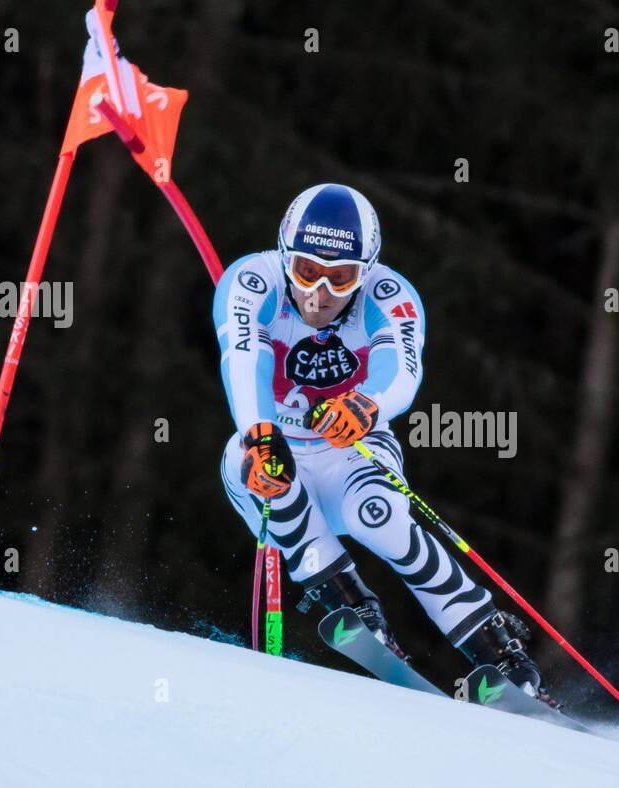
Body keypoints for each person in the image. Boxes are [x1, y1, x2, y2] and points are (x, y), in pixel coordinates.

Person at [212, 183, 551, 701]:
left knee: (383, 516)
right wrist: (261, 435)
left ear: (365, 271)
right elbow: (243, 360)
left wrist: (367, 404)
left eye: (341, 276)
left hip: (353, 447)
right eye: (306, 270)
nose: (319, 292)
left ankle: (498, 650)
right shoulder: (251, 281)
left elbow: (402, 372)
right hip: (277, 443)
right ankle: (354, 604)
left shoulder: (391, 295)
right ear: (285, 256)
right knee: (251, 465)